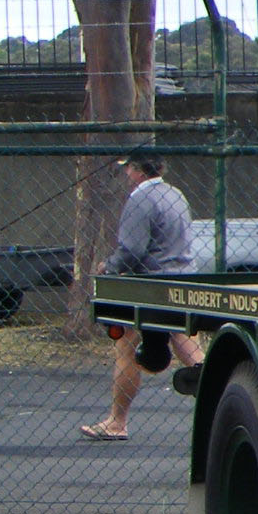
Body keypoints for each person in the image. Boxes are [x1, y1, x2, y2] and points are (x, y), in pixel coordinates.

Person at [80, 151, 204, 442]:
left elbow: (133, 249)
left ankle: (117, 421)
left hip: (151, 285)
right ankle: (219, 400)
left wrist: (108, 267)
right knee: (190, 350)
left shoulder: (140, 199)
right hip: (183, 280)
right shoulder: (175, 194)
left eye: (128, 170)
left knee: (126, 348)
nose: (126, 175)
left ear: (137, 170)